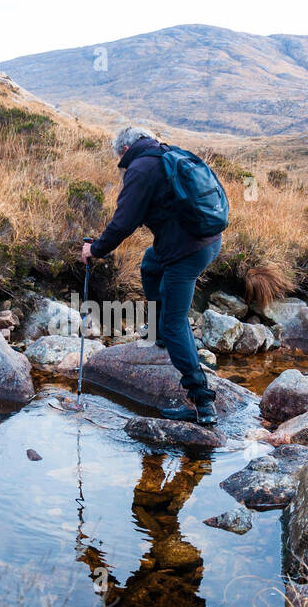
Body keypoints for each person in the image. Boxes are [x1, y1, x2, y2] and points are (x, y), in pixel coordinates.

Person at [81, 126, 222, 426]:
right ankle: (157, 332)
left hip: (186, 252)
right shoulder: (167, 153)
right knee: (149, 264)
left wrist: (96, 250)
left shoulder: (140, 168)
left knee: (175, 323)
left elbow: (123, 223)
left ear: (123, 151)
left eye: (120, 159)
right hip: (204, 240)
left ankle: (202, 404)